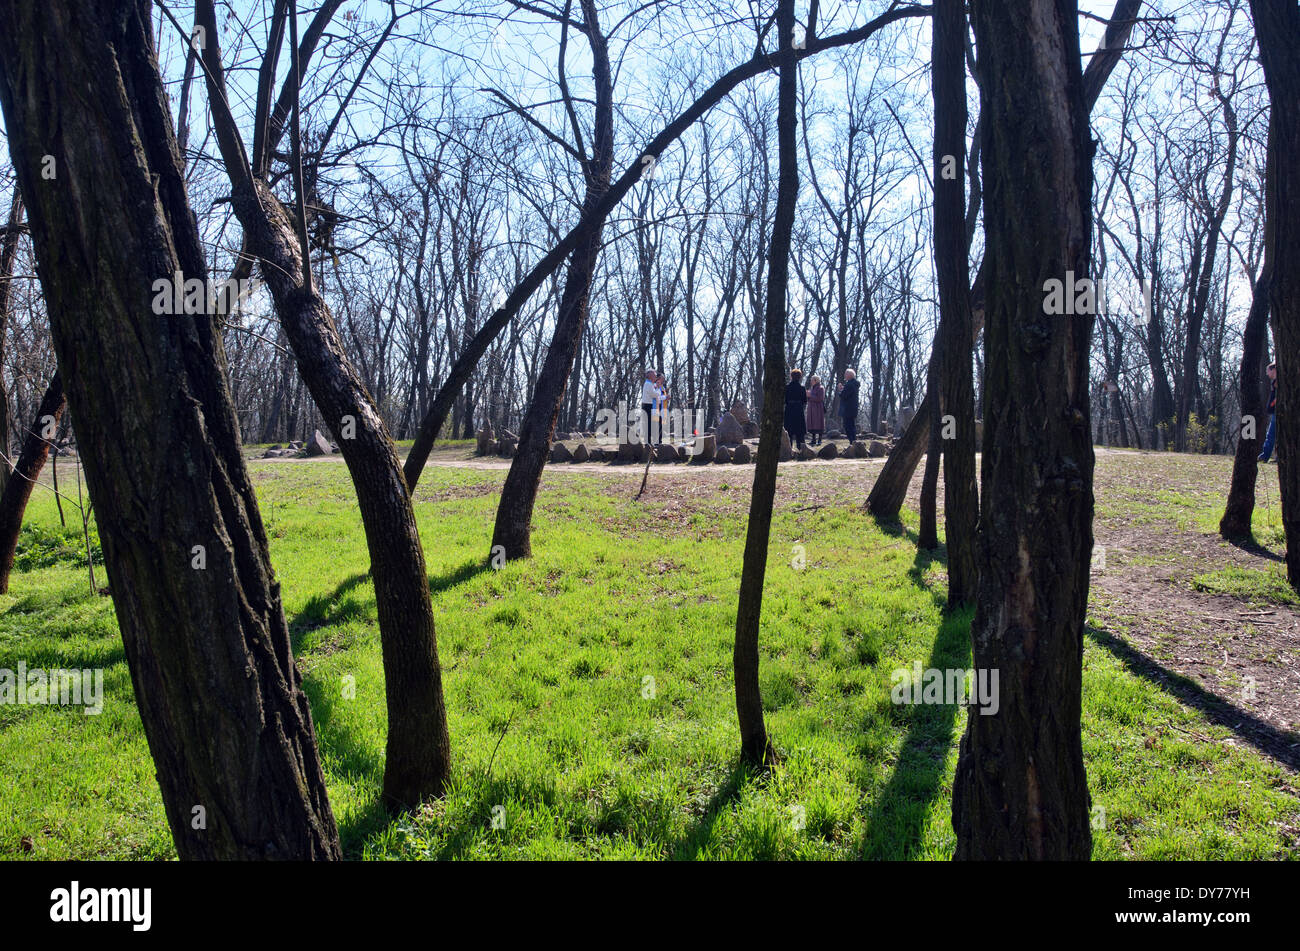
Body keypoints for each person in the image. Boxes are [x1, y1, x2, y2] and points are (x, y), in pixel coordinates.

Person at [784, 369, 808, 450]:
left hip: (789, 410)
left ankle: (789, 449)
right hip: (799, 410)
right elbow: (805, 400)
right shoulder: (802, 388)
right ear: (800, 377)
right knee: (800, 431)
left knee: (789, 431)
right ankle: (801, 449)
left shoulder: (787, 388)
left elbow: (785, 400)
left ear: (791, 377)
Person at [1259, 362, 1278, 463]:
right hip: (1276, 411)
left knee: (1271, 435)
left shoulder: (1278, 382)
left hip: (1278, 412)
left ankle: (1265, 456)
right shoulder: (1275, 382)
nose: (1267, 374)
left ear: (1273, 369)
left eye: (1268, 371)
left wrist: (1273, 403)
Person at [837, 368, 860, 444]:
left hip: (847, 409)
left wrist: (840, 390)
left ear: (849, 375)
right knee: (851, 425)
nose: (844, 375)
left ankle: (852, 442)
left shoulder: (849, 384)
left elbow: (844, 395)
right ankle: (853, 442)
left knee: (848, 426)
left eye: (846, 374)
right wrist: (844, 389)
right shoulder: (854, 384)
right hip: (853, 408)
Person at [639, 369, 659, 445]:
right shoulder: (648, 384)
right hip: (647, 405)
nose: (655, 377)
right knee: (648, 424)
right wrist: (657, 391)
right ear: (650, 376)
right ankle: (648, 442)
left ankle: (649, 441)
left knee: (650, 424)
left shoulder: (650, 384)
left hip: (648, 405)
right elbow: (653, 394)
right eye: (654, 375)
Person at [806, 375, 826, 446]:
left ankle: (820, 440)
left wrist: (810, 395)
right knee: (812, 424)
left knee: (819, 424)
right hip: (811, 408)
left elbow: (820, 398)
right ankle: (813, 440)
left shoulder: (821, 388)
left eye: (812, 380)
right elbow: (809, 398)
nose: (811, 382)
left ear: (815, 380)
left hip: (818, 409)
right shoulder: (812, 388)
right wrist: (807, 395)